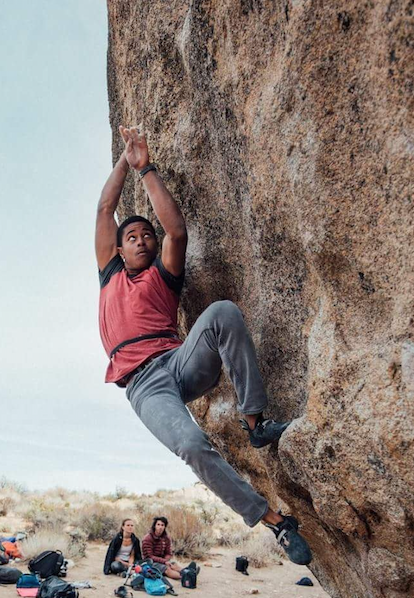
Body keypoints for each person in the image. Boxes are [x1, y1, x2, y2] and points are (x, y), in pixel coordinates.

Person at [94, 125, 312, 566]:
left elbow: (176, 232)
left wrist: (146, 169)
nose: (141, 239)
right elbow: (104, 208)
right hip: (145, 387)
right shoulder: (110, 275)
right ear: (118, 250)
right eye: (131, 237)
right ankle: (274, 521)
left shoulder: (162, 275)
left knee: (223, 312)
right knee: (192, 444)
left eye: (147, 235)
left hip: (179, 361)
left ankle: (256, 423)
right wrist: (125, 158)